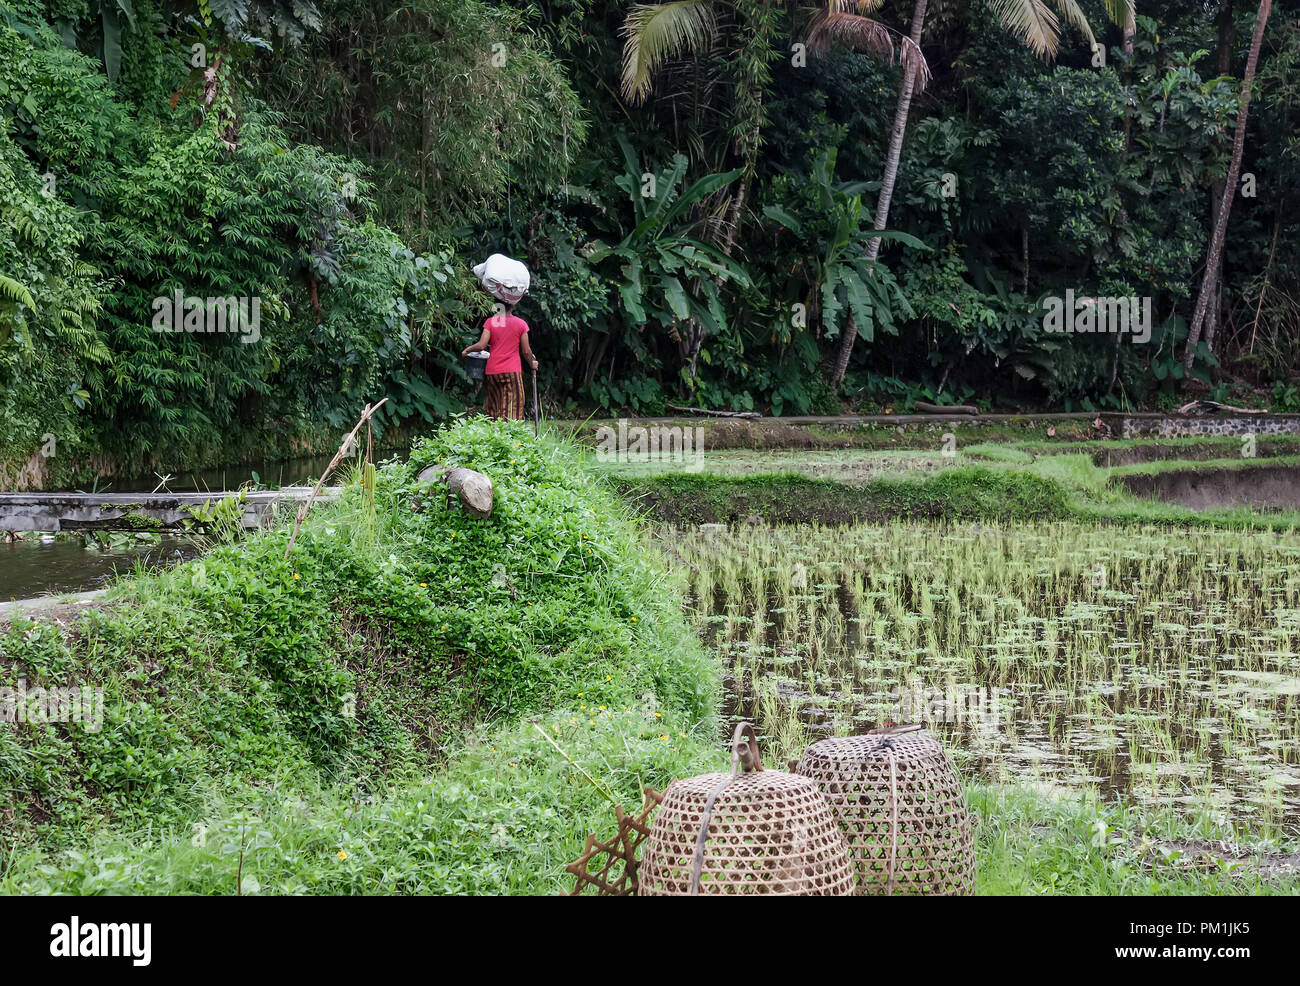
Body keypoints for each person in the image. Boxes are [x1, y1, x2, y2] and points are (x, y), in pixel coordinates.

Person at [462, 303, 538, 421]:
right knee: (514, 406)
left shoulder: (490, 322)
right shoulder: (521, 324)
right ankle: (509, 436)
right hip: (511, 371)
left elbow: (481, 345)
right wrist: (532, 363)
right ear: (512, 306)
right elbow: (526, 351)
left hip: (492, 371)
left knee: (494, 405)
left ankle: (494, 434)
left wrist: (468, 349)